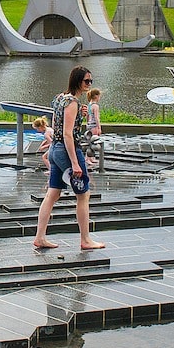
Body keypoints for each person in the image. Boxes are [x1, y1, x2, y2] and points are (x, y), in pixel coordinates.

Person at [32, 66, 106, 251]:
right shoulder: (72, 102)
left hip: (55, 150)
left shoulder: (60, 98)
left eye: (91, 81)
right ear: (78, 81)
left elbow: (58, 118)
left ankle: (39, 237)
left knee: (53, 193)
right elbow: (67, 134)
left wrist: (77, 115)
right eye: (86, 81)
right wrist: (74, 162)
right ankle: (86, 240)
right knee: (83, 194)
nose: (89, 84)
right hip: (67, 150)